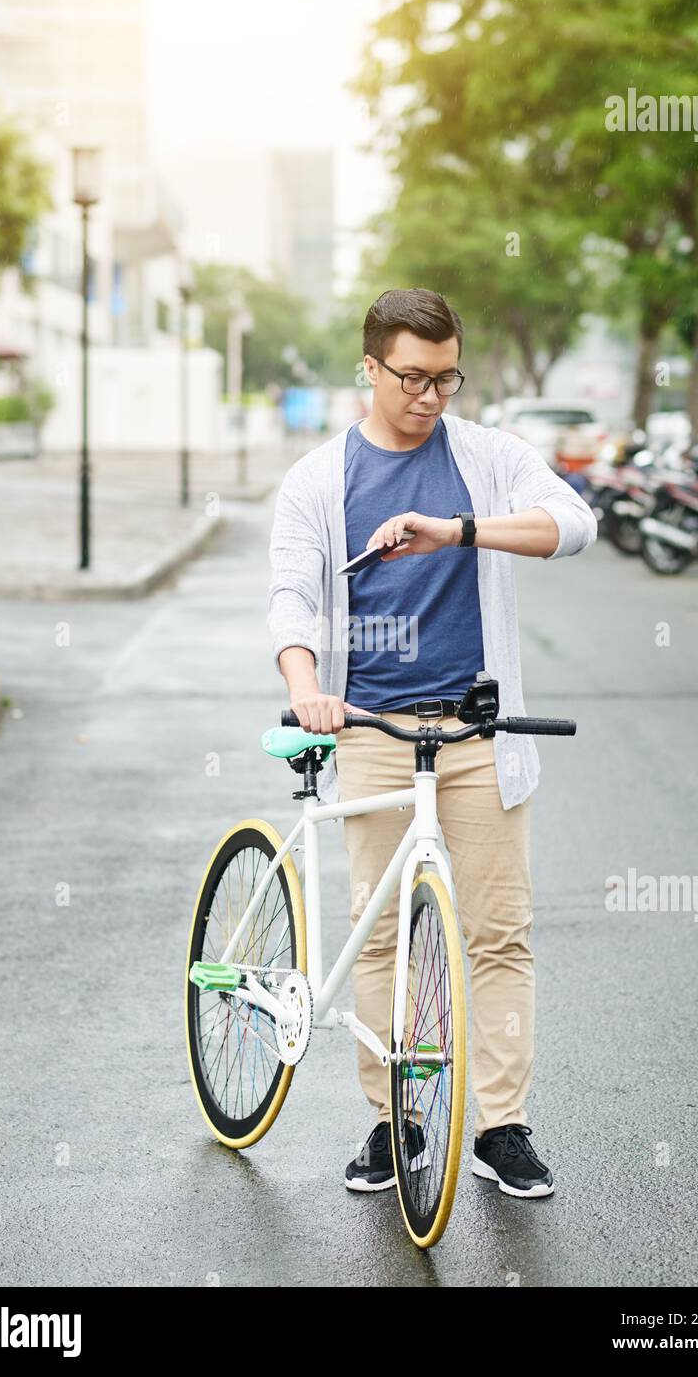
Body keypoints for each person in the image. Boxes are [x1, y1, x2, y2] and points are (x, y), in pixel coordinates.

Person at [267, 288, 597, 1197]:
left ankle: (501, 1127)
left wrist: (457, 531)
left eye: (446, 376)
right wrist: (308, 693)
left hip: (477, 730)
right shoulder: (317, 481)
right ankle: (393, 1120)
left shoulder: (486, 456)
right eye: (411, 377)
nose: (430, 396)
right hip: (372, 729)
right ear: (368, 368)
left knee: (497, 934)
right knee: (379, 937)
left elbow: (573, 525)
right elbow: (291, 598)